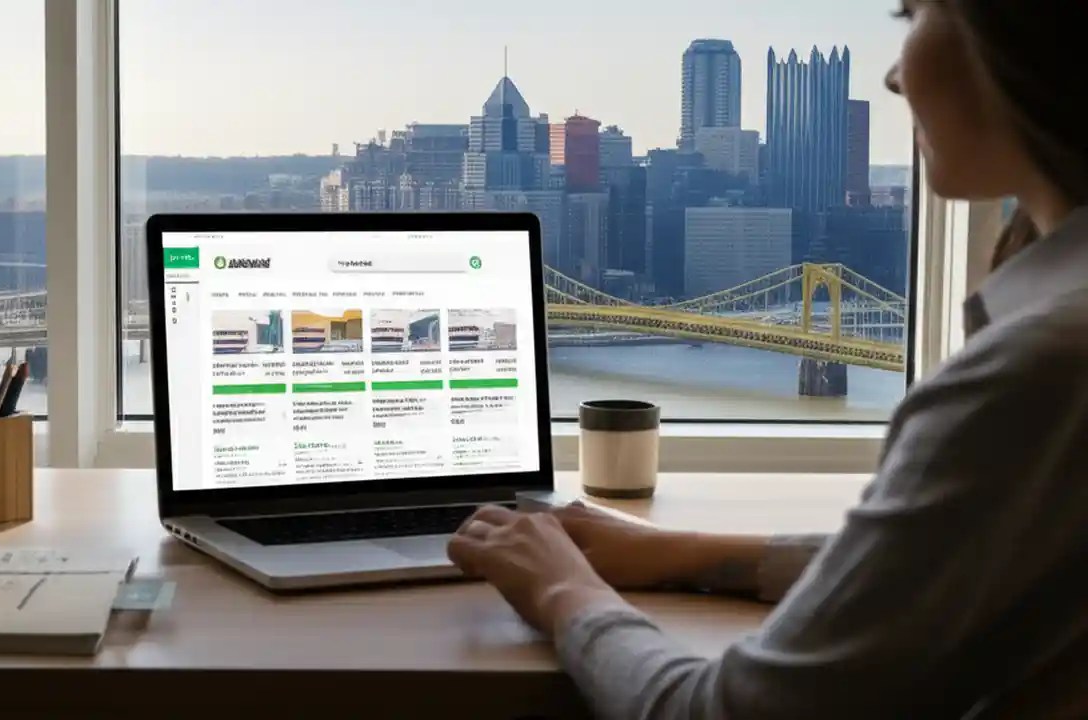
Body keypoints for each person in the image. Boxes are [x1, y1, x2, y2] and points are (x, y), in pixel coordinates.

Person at [447, 1, 1088, 717]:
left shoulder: (1040, 368)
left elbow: (721, 712)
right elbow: (944, 568)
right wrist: (681, 553)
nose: (893, 76)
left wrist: (562, 590)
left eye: (915, 16)